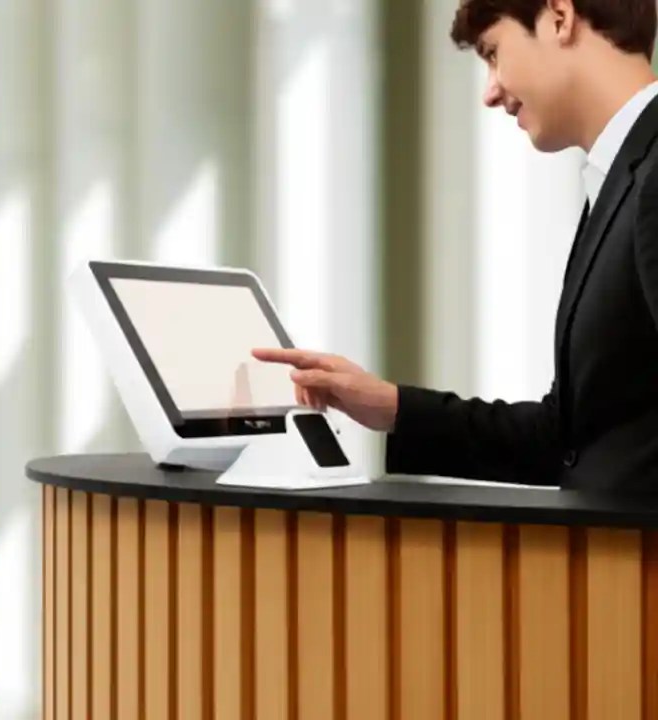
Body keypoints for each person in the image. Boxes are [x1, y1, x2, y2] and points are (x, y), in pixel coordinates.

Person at [254, 0, 658, 490]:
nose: (491, 92)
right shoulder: (619, 181)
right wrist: (391, 406)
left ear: (558, 17)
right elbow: (567, 441)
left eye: (493, 53)